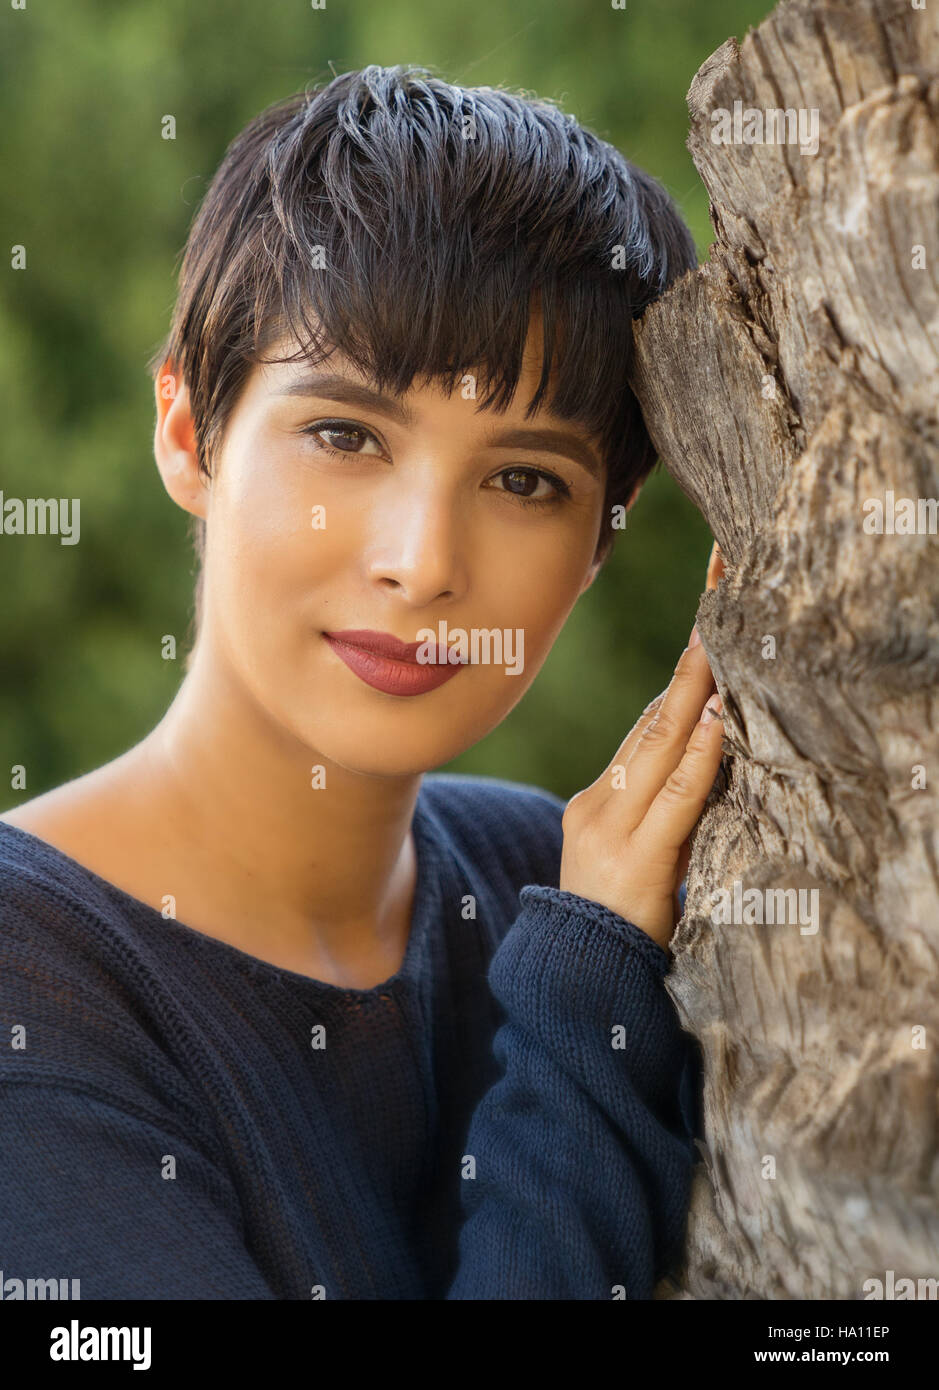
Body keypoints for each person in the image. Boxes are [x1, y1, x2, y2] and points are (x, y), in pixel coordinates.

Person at [0, 65, 724, 1300]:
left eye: (525, 480)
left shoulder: (557, 870)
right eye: (346, 435)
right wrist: (584, 1007)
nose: (422, 563)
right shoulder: (36, 982)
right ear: (189, 429)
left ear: (607, 534)